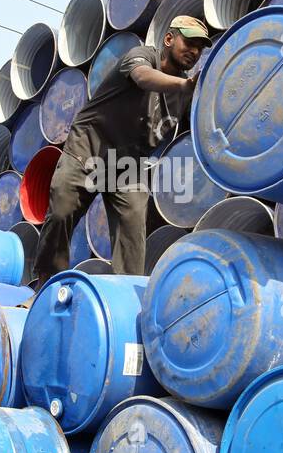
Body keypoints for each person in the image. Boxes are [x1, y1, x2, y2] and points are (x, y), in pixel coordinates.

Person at [32, 15, 212, 281]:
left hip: (126, 164)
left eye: (200, 47)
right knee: (61, 212)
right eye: (189, 42)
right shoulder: (141, 57)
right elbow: (142, 77)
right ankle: (44, 286)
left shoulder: (185, 94)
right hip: (90, 147)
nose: (195, 51)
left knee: (133, 229)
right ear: (169, 39)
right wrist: (185, 85)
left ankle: (124, 298)